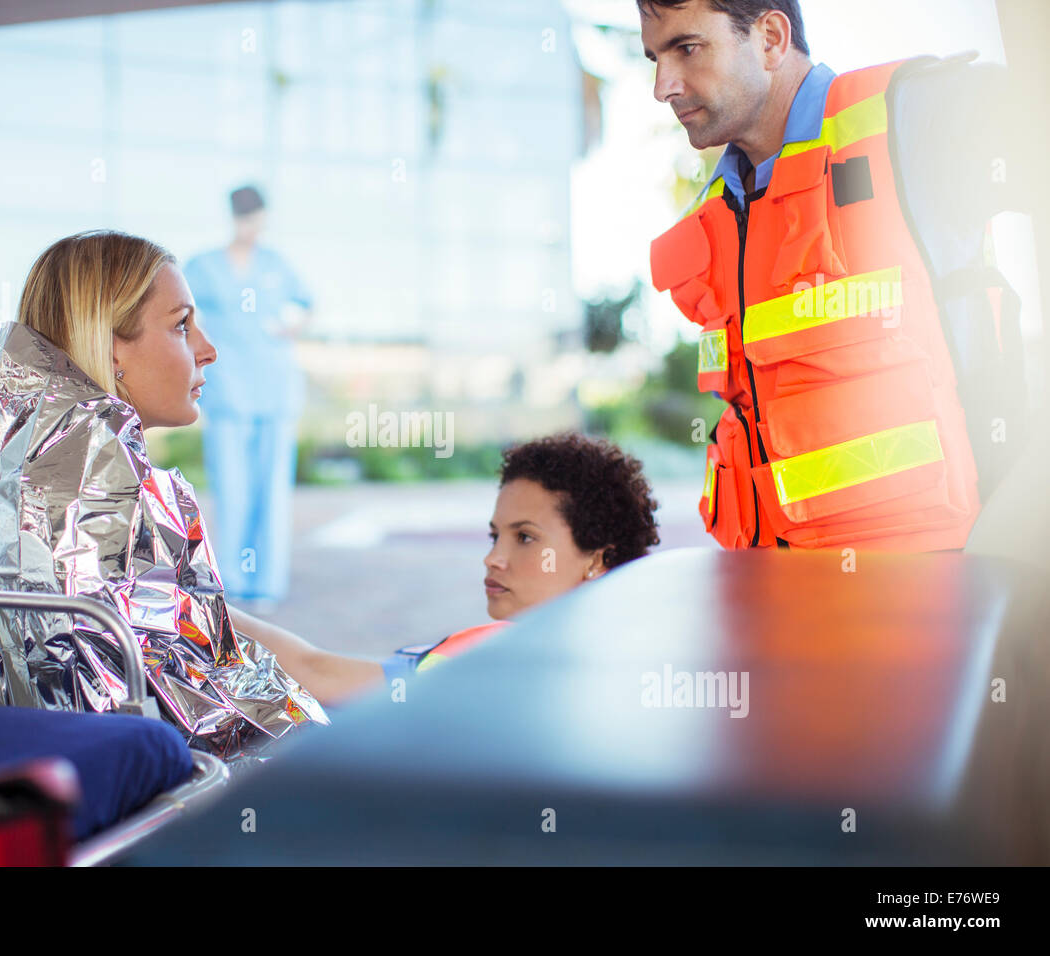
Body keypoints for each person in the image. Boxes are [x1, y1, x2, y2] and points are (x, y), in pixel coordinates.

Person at [0, 231, 374, 760]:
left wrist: (403, 674)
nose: (208, 350)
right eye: (181, 325)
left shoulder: (32, 488)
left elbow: (229, 641)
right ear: (114, 345)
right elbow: (199, 726)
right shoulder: (88, 507)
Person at [642, 0, 1024, 552]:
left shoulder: (912, 114)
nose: (663, 85)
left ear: (771, 38)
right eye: (654, 57)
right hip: (785, 604)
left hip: (945, 595)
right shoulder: (719, 213)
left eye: (687, 48)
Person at [381, 434, 661, 678]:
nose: (492, 559)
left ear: (597, 560)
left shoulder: (489, 669)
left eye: (525, 537)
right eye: (495, 537)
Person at [183, 186, 312, 613]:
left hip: (274, 389)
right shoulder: (203, 267)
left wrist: (290, 328)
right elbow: (182, 312)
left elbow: (307, 304)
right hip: (228, 391)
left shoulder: (276, 265)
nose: (254, 226)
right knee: (232, 488)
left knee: (272, 488)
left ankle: (267, 583)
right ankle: (235, 581)